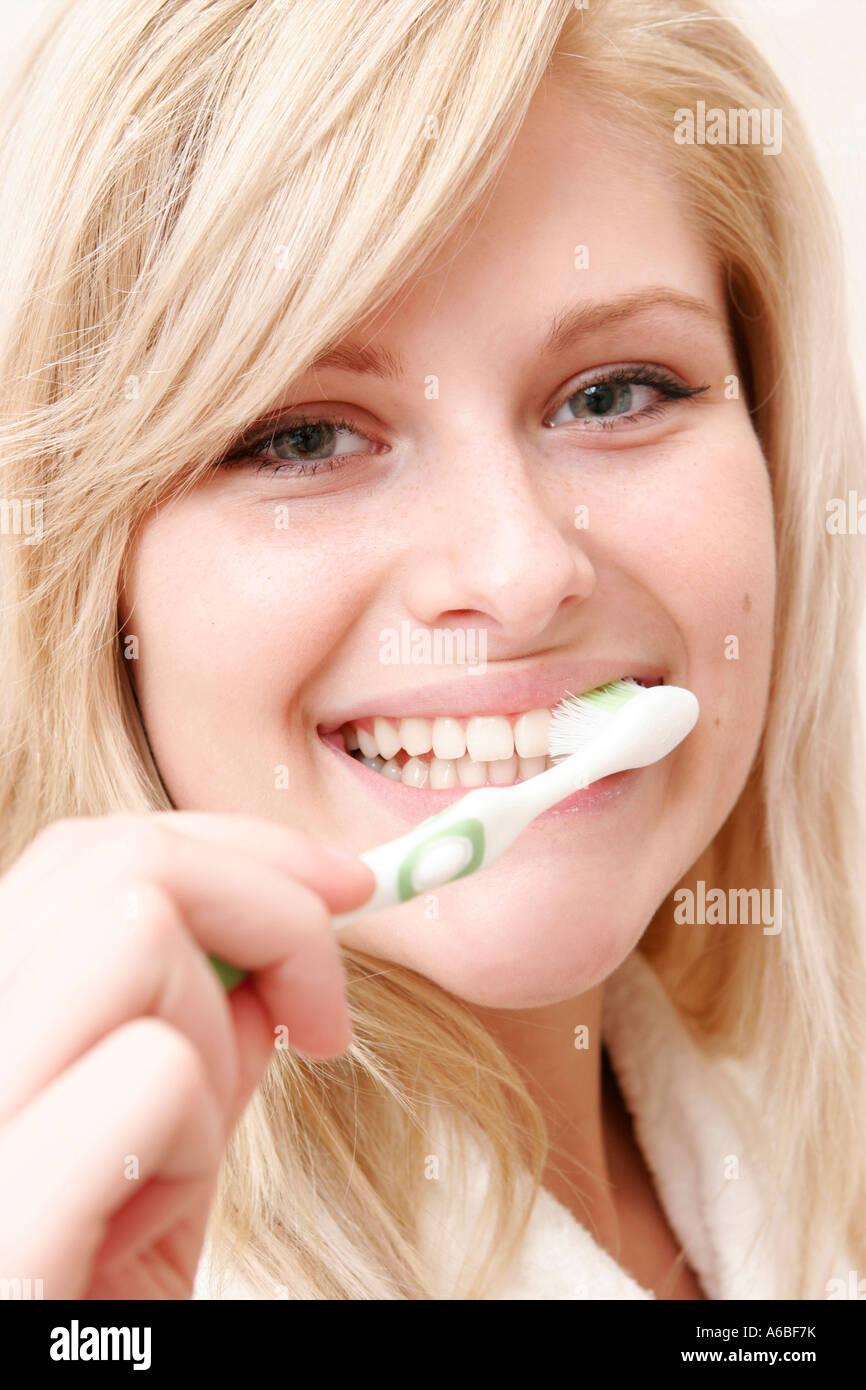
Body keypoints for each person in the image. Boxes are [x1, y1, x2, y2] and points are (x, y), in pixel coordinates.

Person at [0, 0, 863, 1301]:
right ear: (80, 571)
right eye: (301, 435)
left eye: (613, 393)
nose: (518, 575)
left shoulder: (790, 1156)